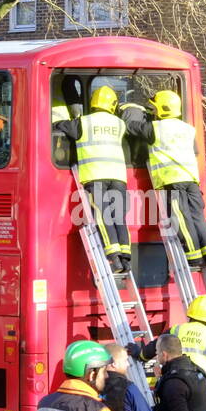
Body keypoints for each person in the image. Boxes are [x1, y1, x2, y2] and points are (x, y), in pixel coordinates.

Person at [121, 89, 206, 270]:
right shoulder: (188, 130)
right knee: (198, 217)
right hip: (191, 180)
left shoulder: (155, 129)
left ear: (162, 109)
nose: (153, 111)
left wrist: (127, 107)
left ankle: (194, 257)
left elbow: (131, 126)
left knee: (180, 218)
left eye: (155, 108)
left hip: (172, 181)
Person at [56, 85, 133, 274]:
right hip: (118, 176)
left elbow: (60, 126)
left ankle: (113, 258)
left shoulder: (83, 123)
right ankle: (126, 257)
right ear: (113, 104)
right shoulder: (119, 124)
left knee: (103, 216)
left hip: (95, 176)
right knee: (118, 217)